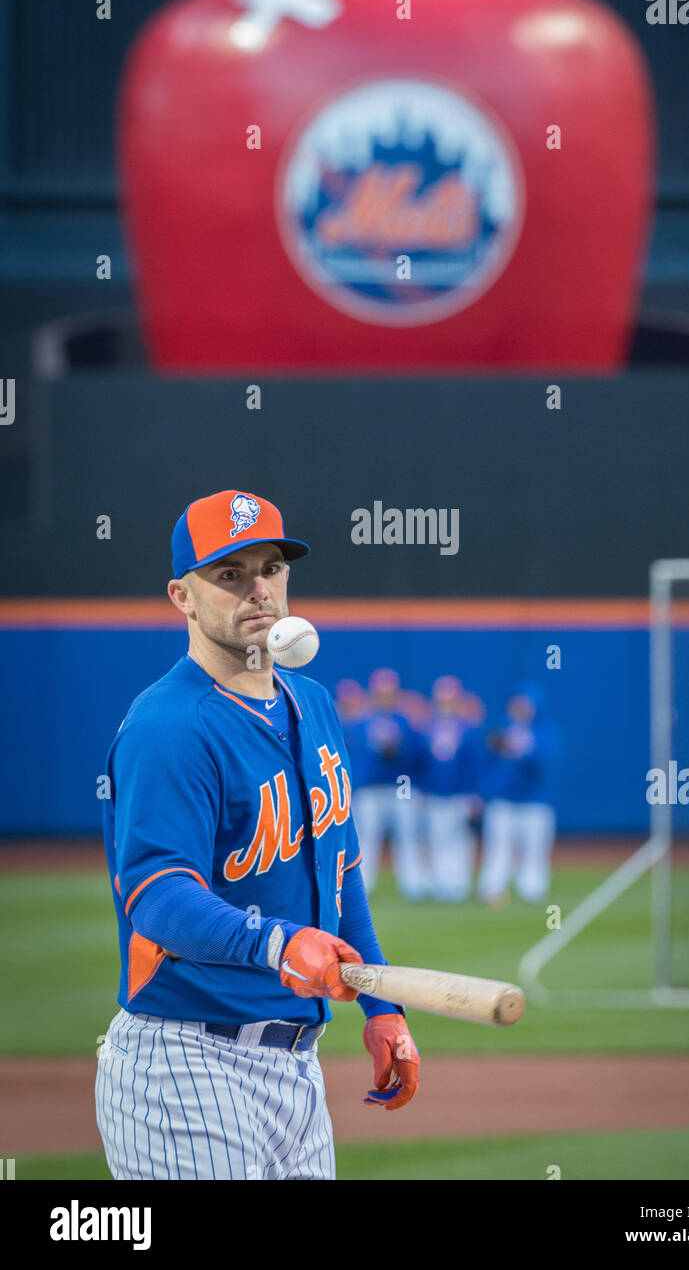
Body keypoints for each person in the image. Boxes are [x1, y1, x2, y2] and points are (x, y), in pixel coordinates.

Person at [95, 489, 420, 1181]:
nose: (259, 590)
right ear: (182, 596)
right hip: (185, 1066)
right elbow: (156, 896)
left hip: (298, 1069)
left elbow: (342, 873)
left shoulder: (315, 703)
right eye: (230, 574)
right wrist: (276, 943)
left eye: (270, 567)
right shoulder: (169, 726)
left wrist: (381, 1004)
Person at [346, 669, 427, 900]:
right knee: (366, 837)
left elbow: (416, 755)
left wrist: (398, 750)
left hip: (399, 786)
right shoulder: (361, 721)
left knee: (407, 835)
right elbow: (353, 756)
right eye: (381, 691)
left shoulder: (404, 721)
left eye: (388, 692)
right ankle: (363, 887)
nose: (384, 696)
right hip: (370, 787)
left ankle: (414, 886)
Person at [478, 683, 559, 906]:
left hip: (534, 802)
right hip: (503, 801)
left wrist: (520, 752)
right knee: (498, 848)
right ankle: (493, 888)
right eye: (517, 704)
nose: (521, 709)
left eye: (526, 705)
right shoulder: (501, 729)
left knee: (534, 851)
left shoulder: (544, 733)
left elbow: (544, 764)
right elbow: (487, 766)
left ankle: (532, 890)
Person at [422, 675, 481, 902]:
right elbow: (420, 764)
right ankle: (441, 883)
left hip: (461, 795)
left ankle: (458, 884)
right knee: (437, 839)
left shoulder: (468, 729)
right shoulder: (428, 729)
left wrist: (475, 795)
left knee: (461, 840)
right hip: (436, 795)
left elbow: (475, 765)